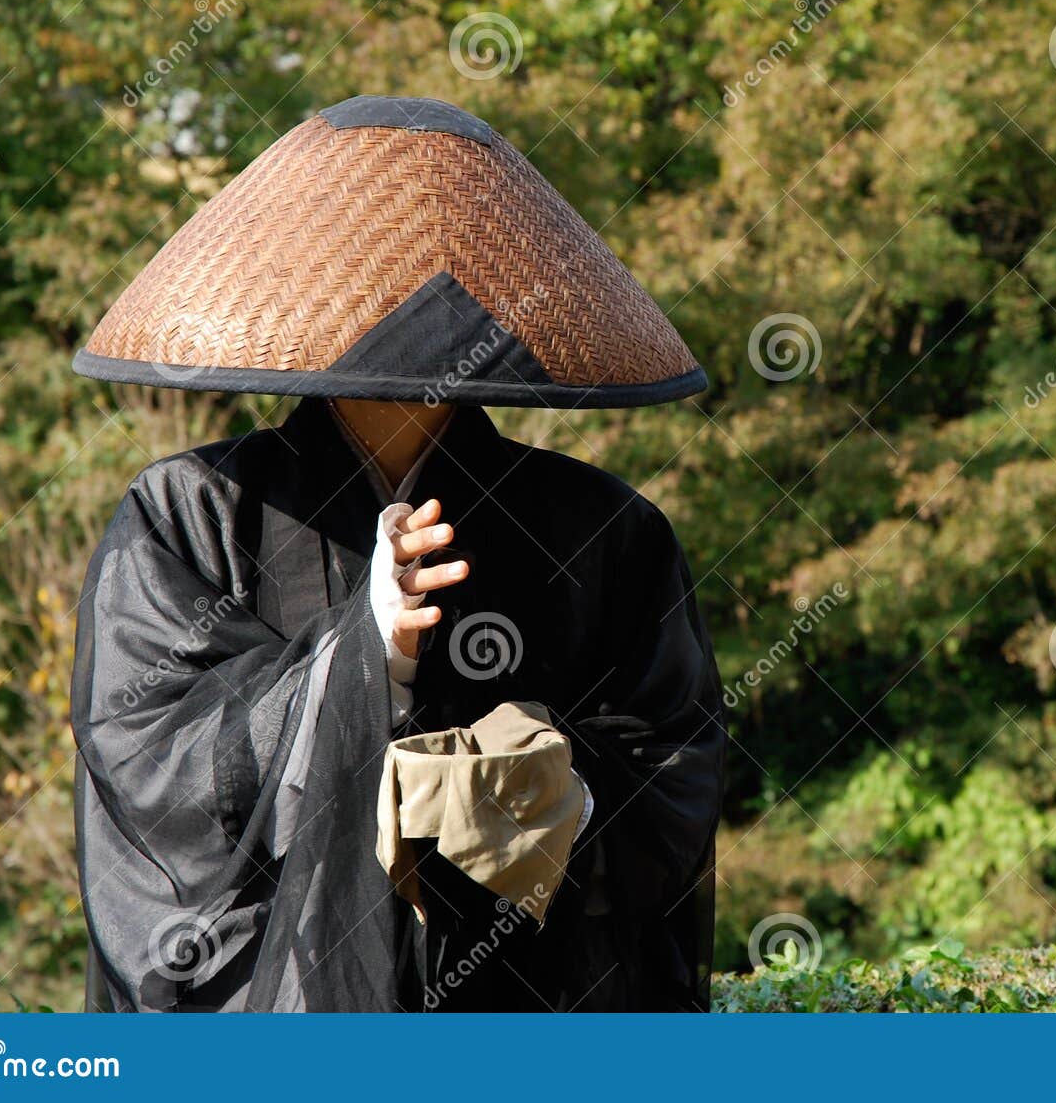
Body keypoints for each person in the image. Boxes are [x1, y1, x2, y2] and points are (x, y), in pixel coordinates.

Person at [68, 97, 725, 1011]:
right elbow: (142, 763)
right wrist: (361, 657)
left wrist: (538, 790)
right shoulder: (186, 513)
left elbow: (674, 769)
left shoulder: (605, 529)